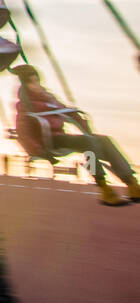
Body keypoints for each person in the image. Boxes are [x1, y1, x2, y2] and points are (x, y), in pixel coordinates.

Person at [12, 65, 140, 206]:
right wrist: (40, 151)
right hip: (48, 142)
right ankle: (104, 188)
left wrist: (85, 128)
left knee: (104, 140)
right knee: (88, 143)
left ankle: (131, 183)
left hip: (61, 136)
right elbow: (23, 133)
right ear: (25, 85)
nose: (35, 85)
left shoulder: (48, 98)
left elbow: (68, 112)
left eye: (37, 81)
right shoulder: (25, 105)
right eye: (31, 82)